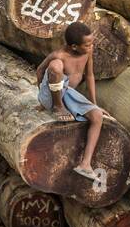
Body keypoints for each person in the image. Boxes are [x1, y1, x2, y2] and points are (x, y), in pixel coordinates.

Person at [36, 21, 105, 181]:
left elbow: (89, 76)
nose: (91, 46)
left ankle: (85, 165)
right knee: (56, 66)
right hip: (51, 95)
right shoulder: (59, 55)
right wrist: (42, 98)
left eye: (91, 43)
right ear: (74, 46)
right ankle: (58, 107)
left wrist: (94, 103)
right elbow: (40, 70)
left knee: (97, 116)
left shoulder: (87, 52)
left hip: (68, 93)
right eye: (87, 44)